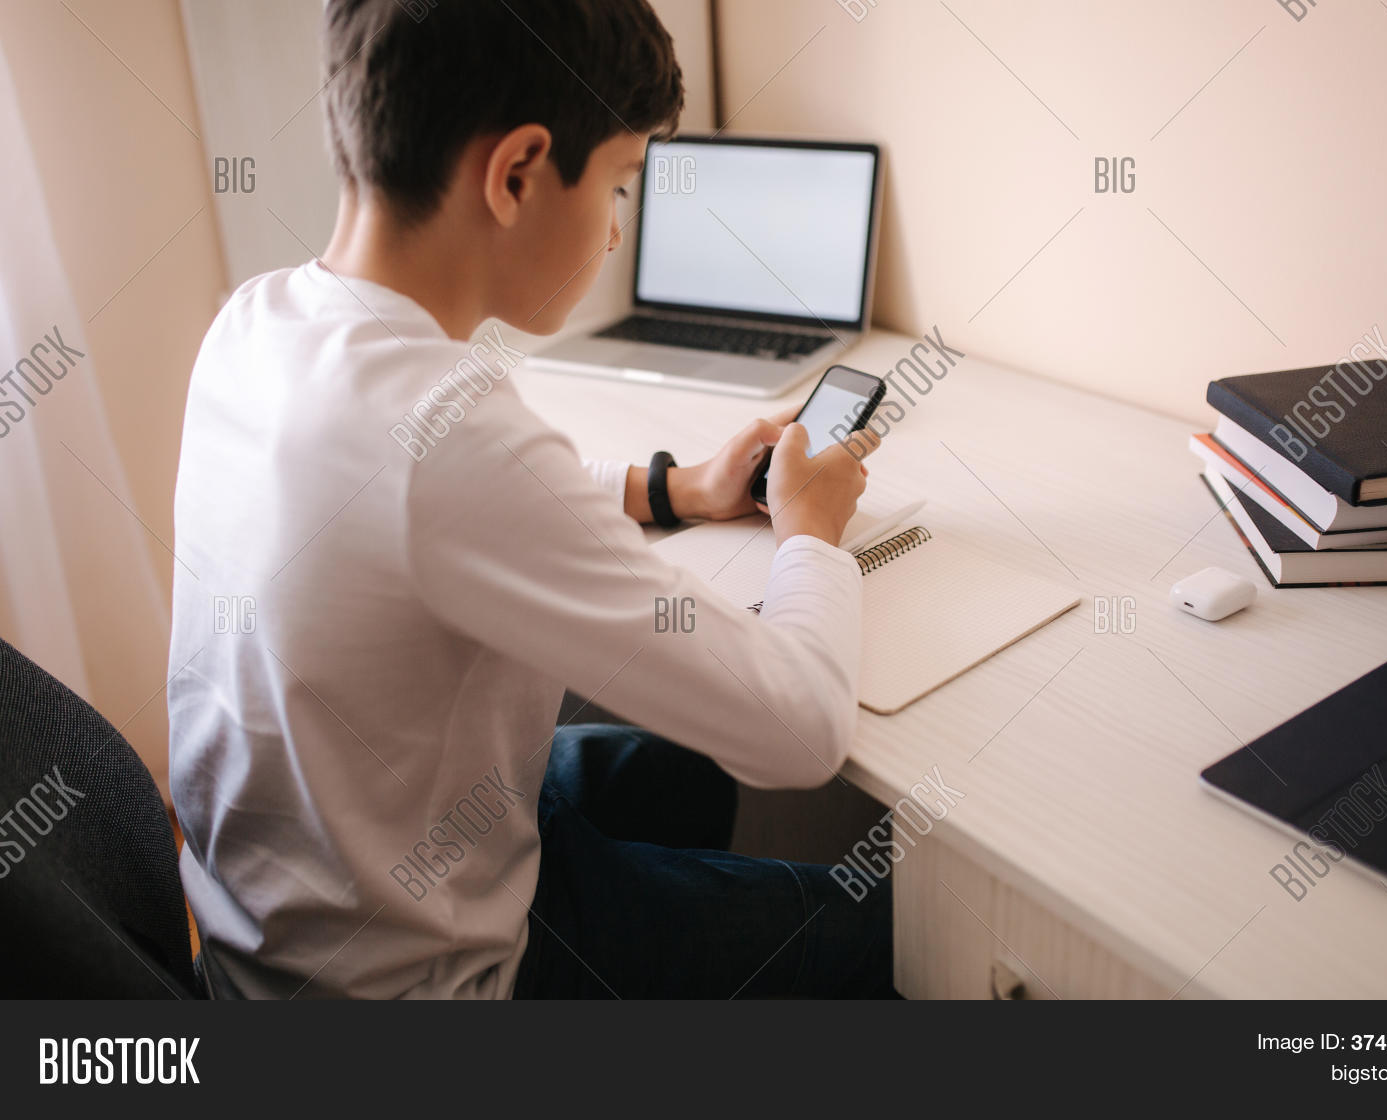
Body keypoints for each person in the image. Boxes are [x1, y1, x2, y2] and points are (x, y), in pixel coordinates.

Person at [168, 0, 890, 999]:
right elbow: (806, 729)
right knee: (885, 930)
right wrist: (811, 532)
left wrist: (670, 488)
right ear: (516, 174)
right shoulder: (448, 431)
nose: (616, 228)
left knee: (680, 762)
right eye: (619, 184)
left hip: (293, 913)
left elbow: (448, 513)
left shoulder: (257, 322)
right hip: (426, 980)